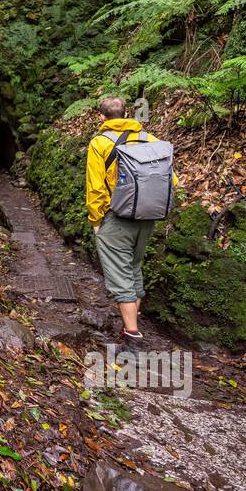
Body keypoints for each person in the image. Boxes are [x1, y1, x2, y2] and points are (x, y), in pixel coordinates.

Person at [84, 96, 172, 351]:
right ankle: (129, 325)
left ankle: (133, 336)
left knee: (121, 275)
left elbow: (96, 187)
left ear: (102, 117)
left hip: (117, 217)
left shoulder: (99, 143)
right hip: (148, 216)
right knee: (134, 268)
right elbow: (171, 180)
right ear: (127, 113)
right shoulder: (150, 140)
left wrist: (96, 219)